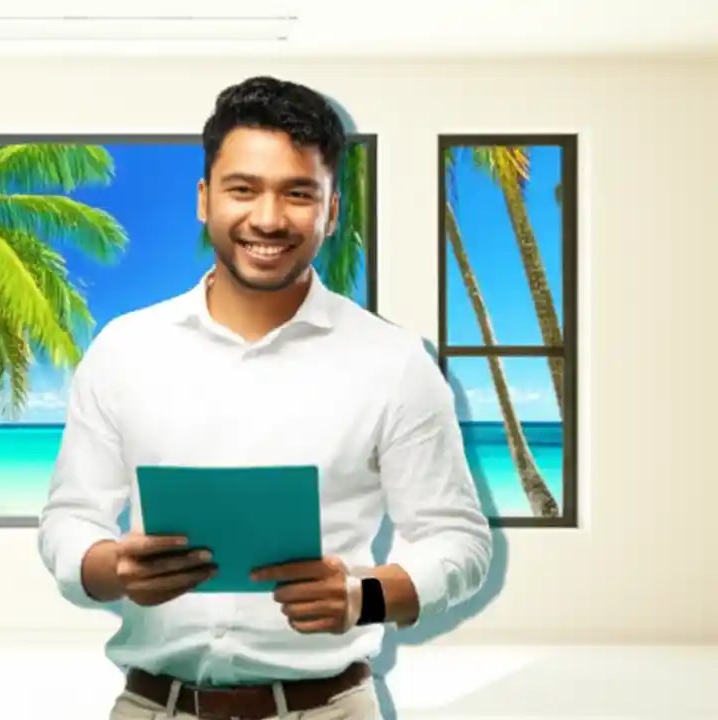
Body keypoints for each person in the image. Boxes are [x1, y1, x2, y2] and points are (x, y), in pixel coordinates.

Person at [36, 75, 493, 719]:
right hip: (153, 706)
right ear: (205, 199)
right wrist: (109, 567)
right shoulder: (124, 349)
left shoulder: (394, 363)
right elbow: (68, 520)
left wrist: (369, 594)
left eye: (299, 193)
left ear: (332, 210)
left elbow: (458, 540)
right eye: (242, 189)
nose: (268, 218)